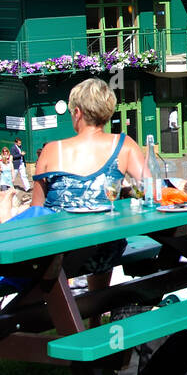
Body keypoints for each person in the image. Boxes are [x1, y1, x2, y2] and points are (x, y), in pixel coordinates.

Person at [32, 78, 148, 291]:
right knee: (107, 237)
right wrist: (122, 191)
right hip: (103, 251)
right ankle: (96, 312)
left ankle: (68, 309)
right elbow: (150, 190)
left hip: (59, 251)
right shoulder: (124, 145)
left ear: (77, 113)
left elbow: (36, 210)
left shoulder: (51, 149)